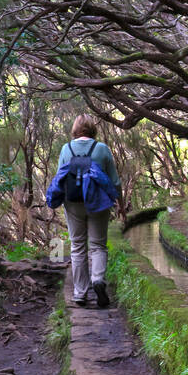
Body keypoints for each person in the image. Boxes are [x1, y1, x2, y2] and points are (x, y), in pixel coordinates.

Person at [50, 115, 121, 308]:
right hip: (98, 202)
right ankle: (98, 279)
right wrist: (118, 199)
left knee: (78, 246)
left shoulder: (67, 149)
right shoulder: (102, 149)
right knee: (98, 245)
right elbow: (114, 181)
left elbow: (60, 178)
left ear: (75, 130)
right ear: (92, 129)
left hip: (72, 202)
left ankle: (80, 293)